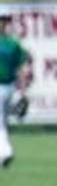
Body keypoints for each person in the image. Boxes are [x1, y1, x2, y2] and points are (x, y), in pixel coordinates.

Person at [0, 12, 33, 168]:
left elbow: (23, 69)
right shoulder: (14, 44)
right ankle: (3, 156)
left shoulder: (13, 44)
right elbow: (24, 69)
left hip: (7, 88)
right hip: (10, 89)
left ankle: (6, 152)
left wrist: (23, 92)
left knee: (1, 123)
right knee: (3, 122)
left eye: (4, 21)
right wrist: (22, 93)